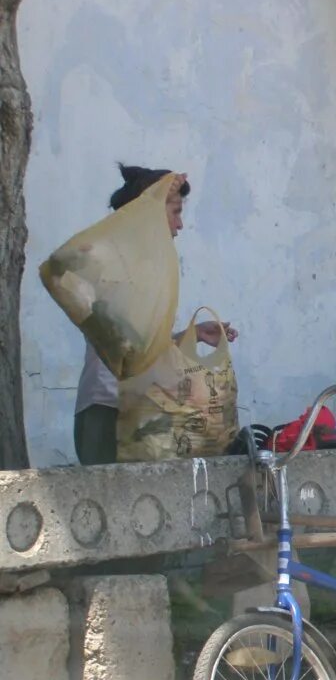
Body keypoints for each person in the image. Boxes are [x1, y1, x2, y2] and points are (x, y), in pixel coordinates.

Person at [73, 164, 237, 465]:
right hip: (110, 410)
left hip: (139, 409)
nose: (180, 225)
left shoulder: (149, 269)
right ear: (147, 214)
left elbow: (143, 346)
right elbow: (126, 345)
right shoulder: (112, 264)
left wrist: (191, 336)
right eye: (175, 211)